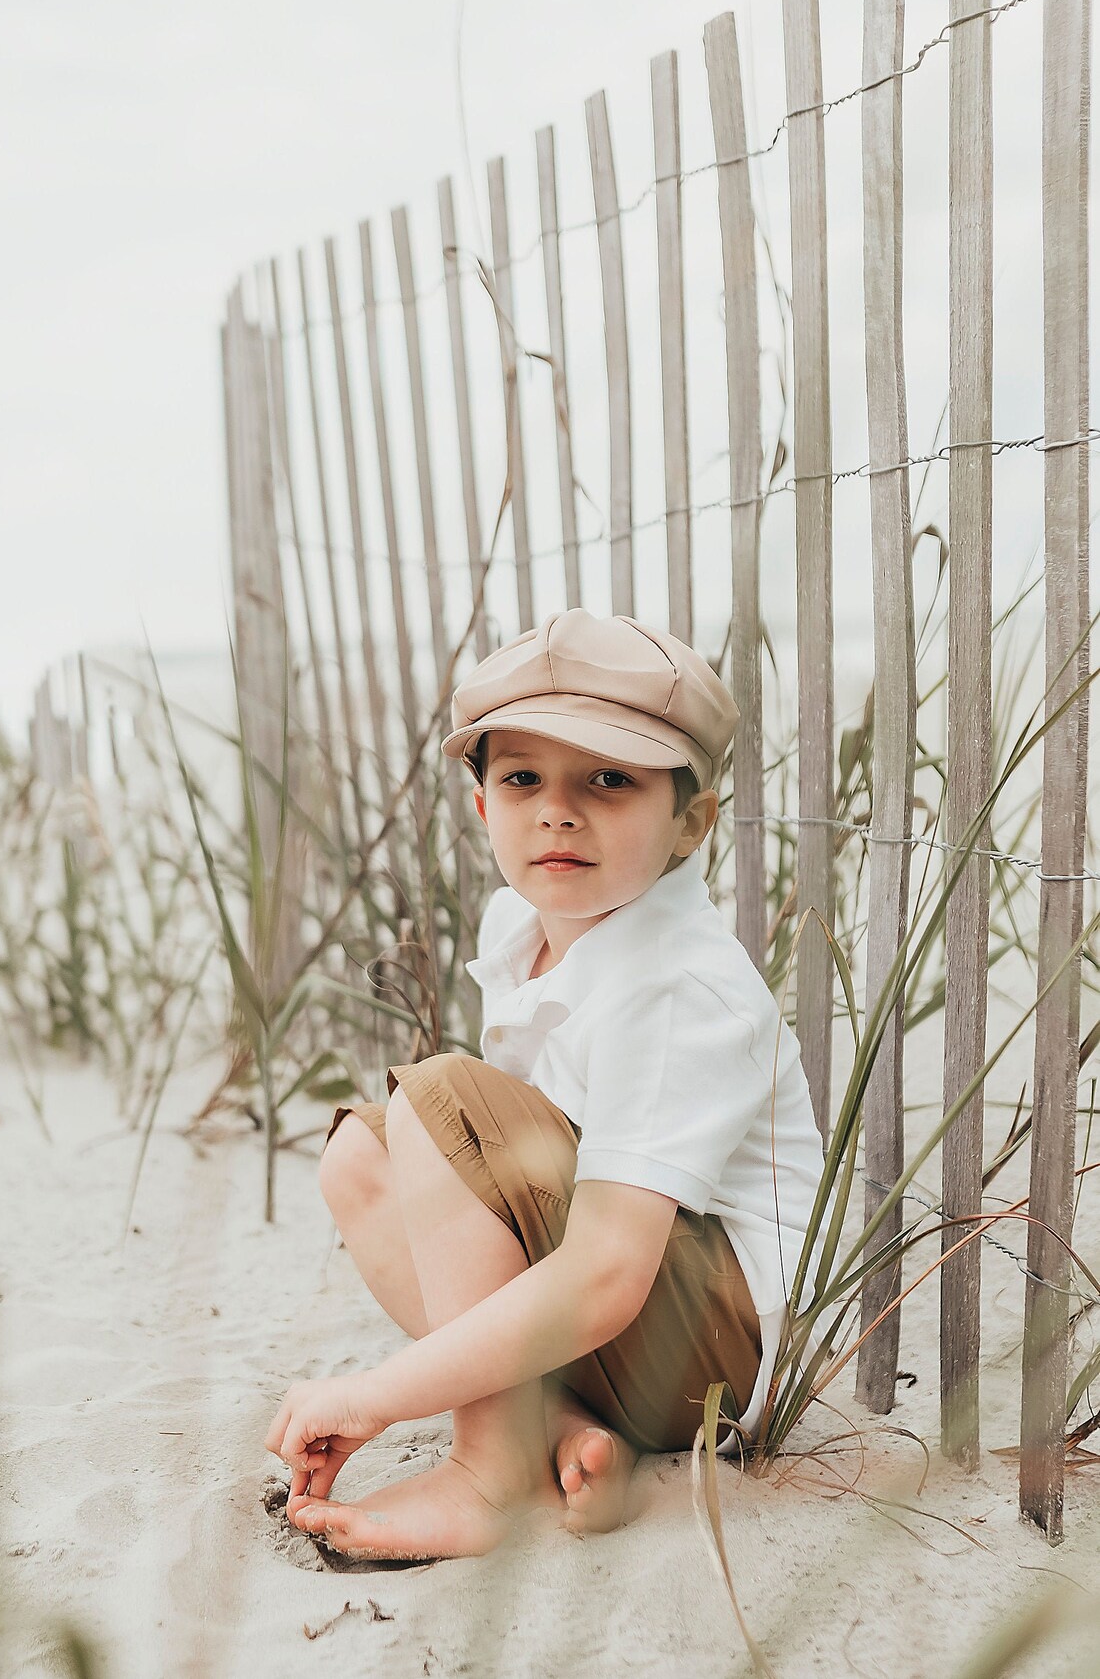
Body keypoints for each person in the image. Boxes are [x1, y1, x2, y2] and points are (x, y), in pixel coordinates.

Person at [264, 608, 824, 1562]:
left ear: (690, 823)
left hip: (712, 1356)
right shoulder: (518, 925)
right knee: (362, 1152)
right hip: (628, 1324)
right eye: (523, 778)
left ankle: (491, 1476)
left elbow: (605, 1269)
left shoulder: (678, 986)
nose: (558, 811)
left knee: (443, 1100)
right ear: (484, 808)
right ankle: (554, 1427)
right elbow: (498, 1201)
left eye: (609, 779)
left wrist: (380, 1393)